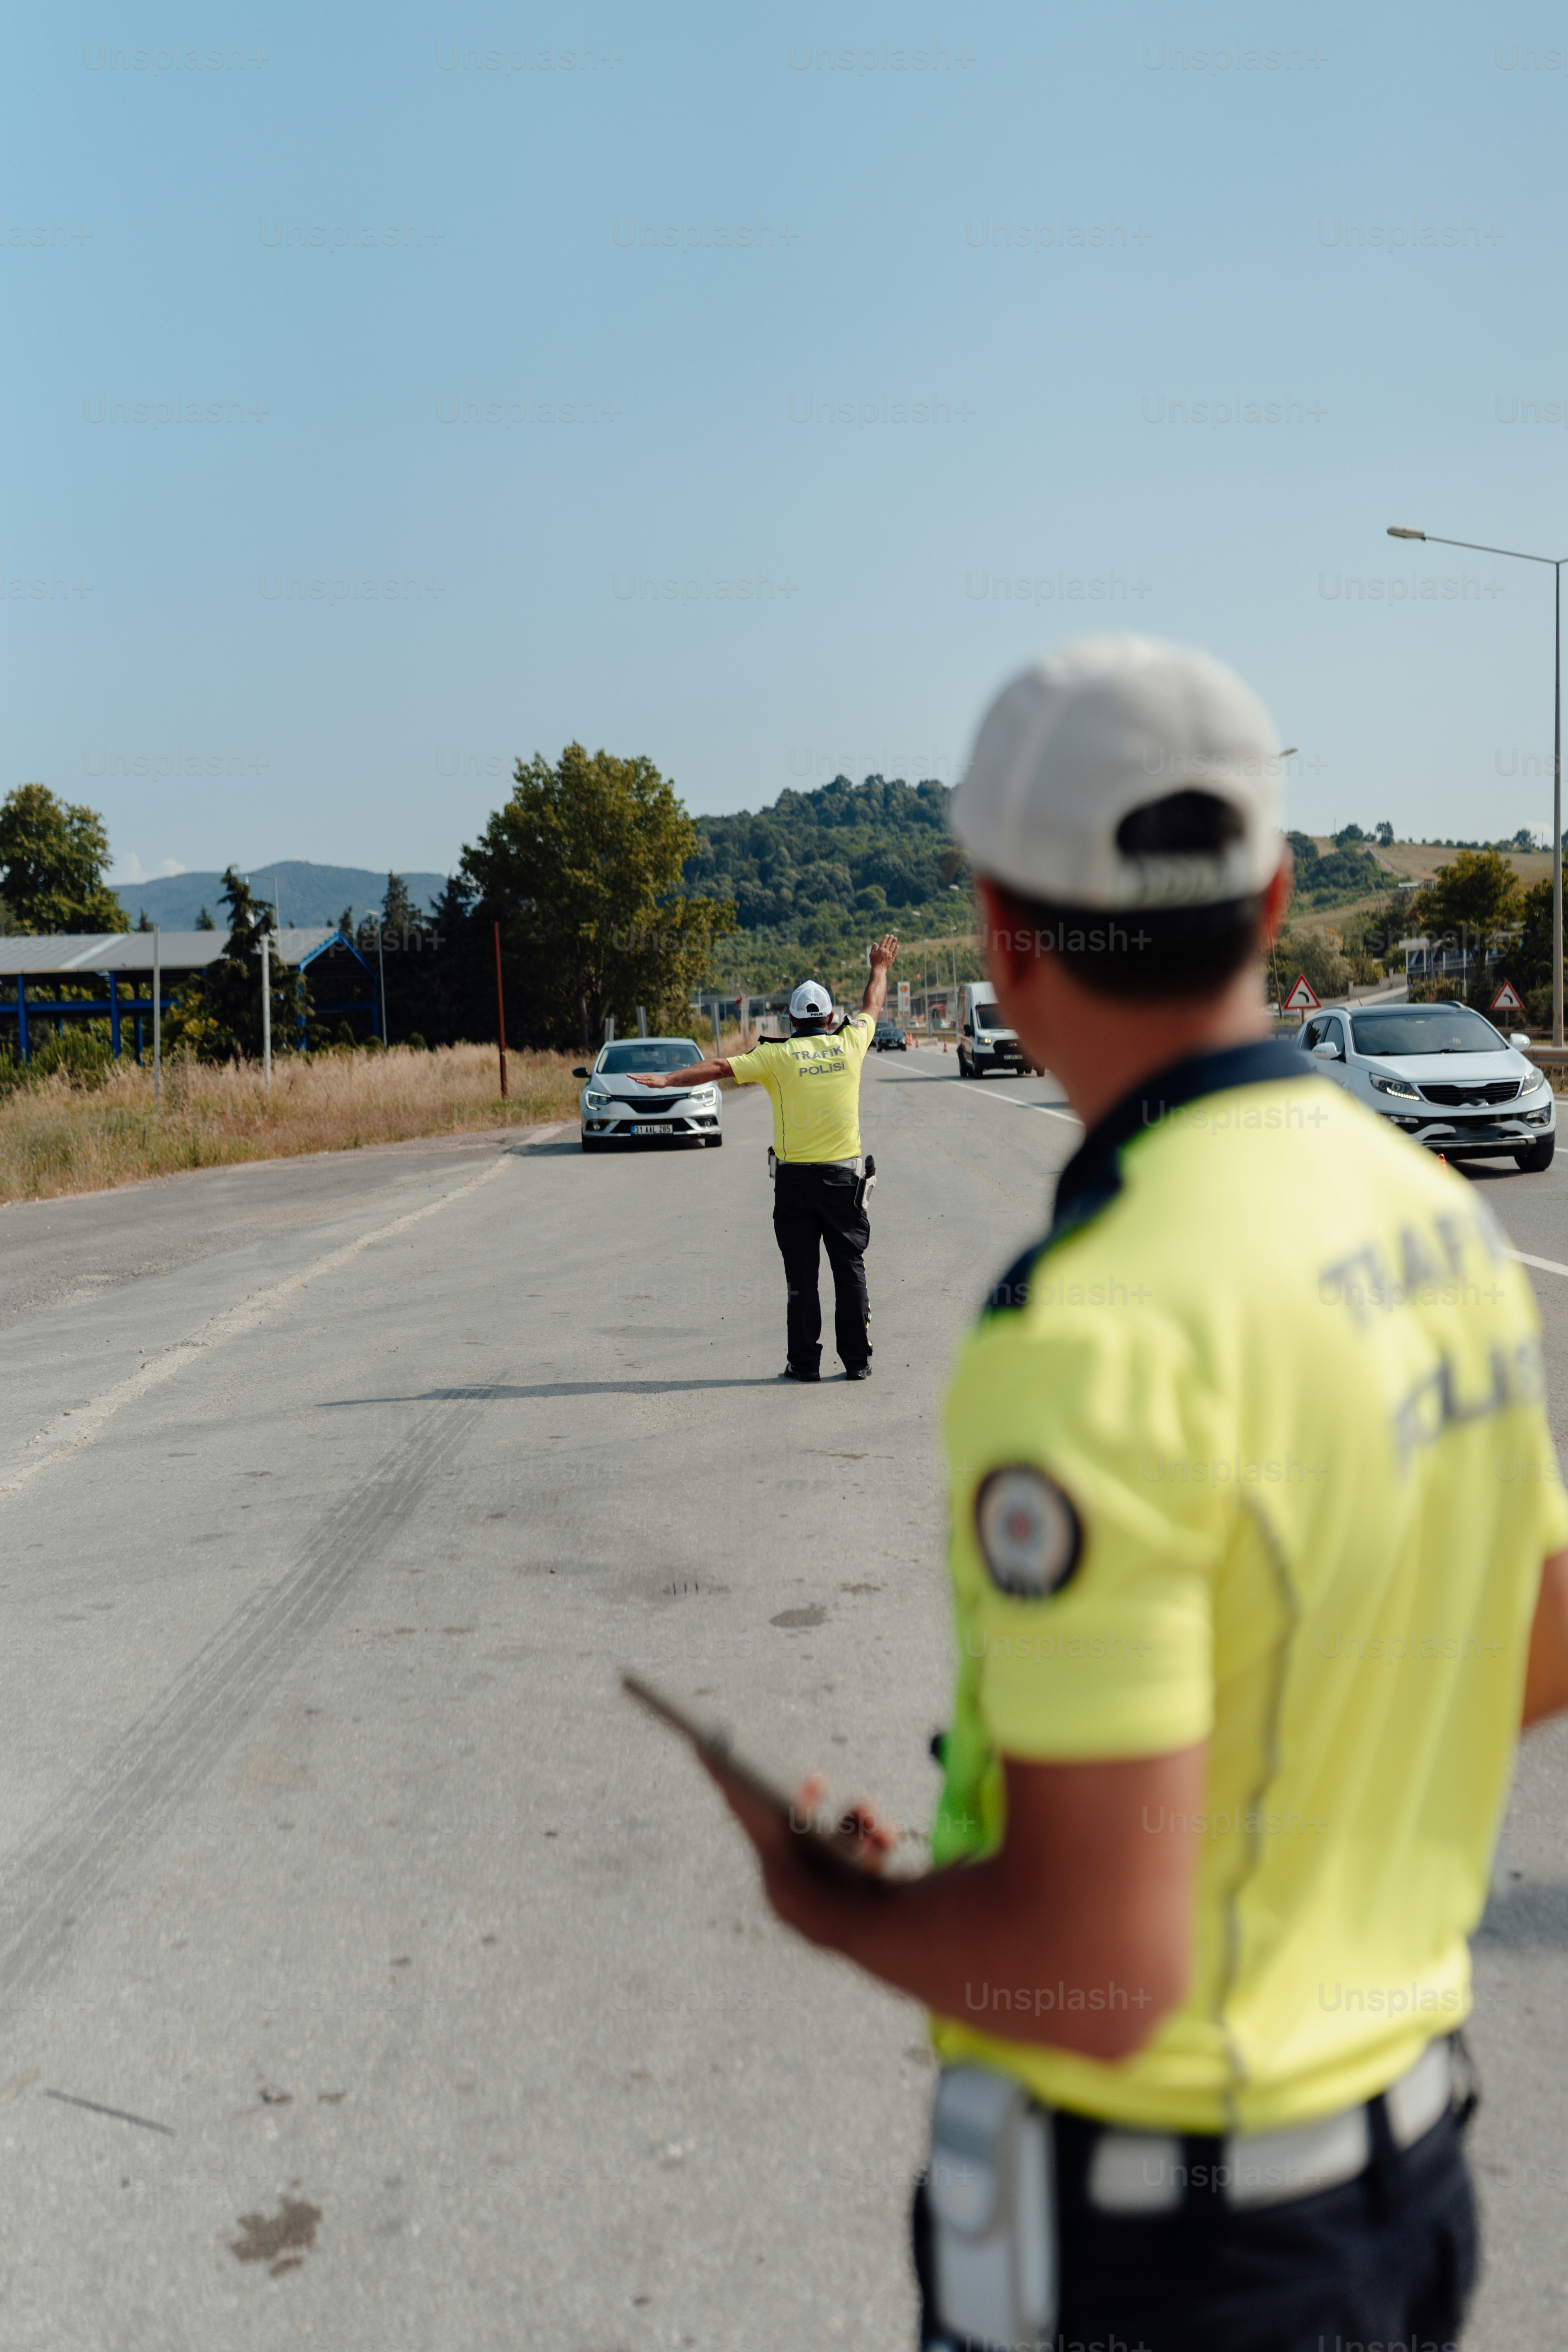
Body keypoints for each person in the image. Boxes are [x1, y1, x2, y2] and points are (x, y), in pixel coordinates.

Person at [696, 637, 1568, 2351]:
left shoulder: (1089, 1327)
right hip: (1397, 2190)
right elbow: (1527, 1641)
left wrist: (843, 1907)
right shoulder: (1428, 1224)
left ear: (1006, 940)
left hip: (1171, 2258)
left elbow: (1093, 1976)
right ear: (1274, 897)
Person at [635, 936, 898, 1379]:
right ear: (832, 1018)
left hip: (795, 1187)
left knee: (802, 1279)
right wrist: (880, 966)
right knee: (850, 1271)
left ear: (791, 1020)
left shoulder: (776, 1056)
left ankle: (804, 1364)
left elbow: (719, 1068)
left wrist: (666, 1079)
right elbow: (873, 1005)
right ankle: (857, 1362)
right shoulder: (852, 1043)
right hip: (843, 1184)